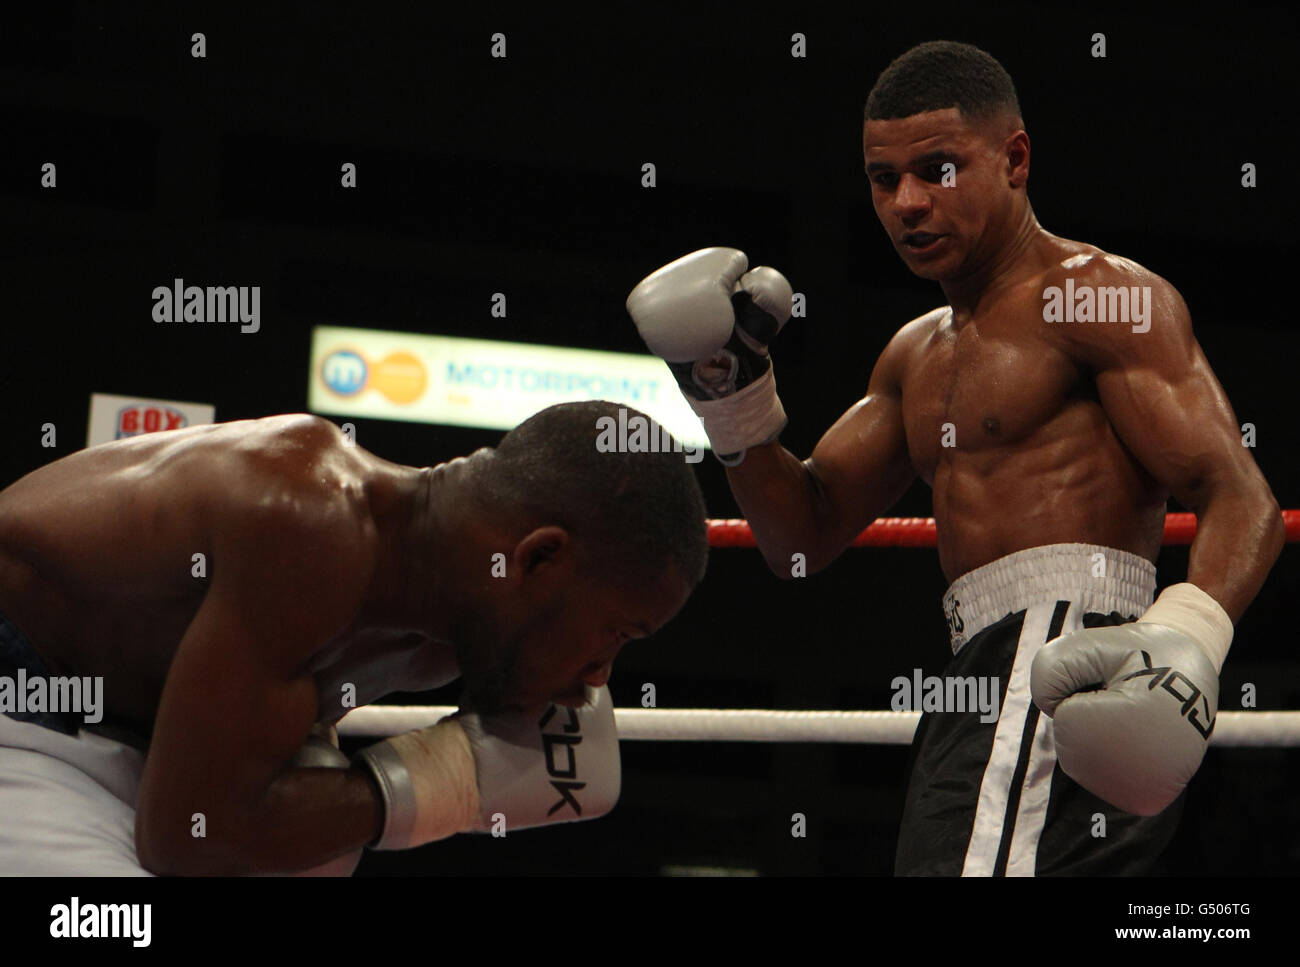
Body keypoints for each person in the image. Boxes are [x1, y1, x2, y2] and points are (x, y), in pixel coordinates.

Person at [626, 40, 1284, 875]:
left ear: (1014, 159)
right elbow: (802, 536)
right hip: (980, 665)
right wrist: (731, 397)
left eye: (937, 168)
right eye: (882, 178)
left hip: (1065, 649)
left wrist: (1185, 641)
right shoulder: (914, 354)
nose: (906, 202)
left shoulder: (1098, 296)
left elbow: (1241, 496)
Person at [0, 400, 707, 875]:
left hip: (128, 745)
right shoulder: (310, 518)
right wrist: (443, 784)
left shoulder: (435, 646)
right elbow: (188, 831)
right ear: (536, 558)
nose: (598, 676)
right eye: (615, 632)